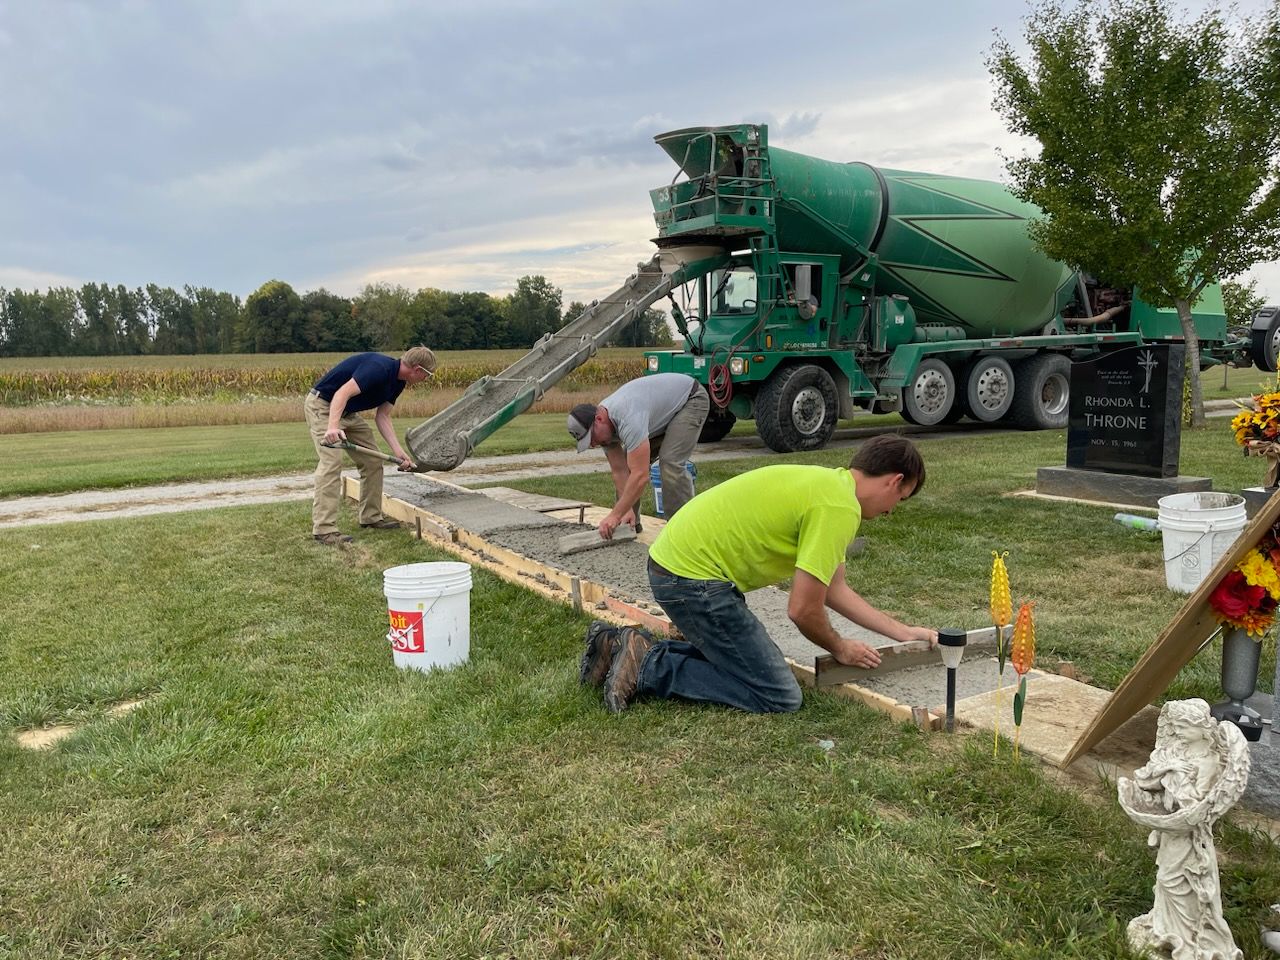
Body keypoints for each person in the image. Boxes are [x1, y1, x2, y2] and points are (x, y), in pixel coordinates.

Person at [579, 434, 937, 713]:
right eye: (900, 500)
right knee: (778, 693)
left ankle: (618, 646)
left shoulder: (831, 487)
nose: (892, 512)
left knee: (743, 663)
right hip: (691, 581)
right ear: (894, 480)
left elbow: (835, 589)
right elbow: (802, 610)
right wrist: (839, 648)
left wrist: (904, 632)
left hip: (676, 568)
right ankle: (648, 665)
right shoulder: (838, 507)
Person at [304, 346, 436, 545]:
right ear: (417, 370)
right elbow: (341, 394)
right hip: (323, 406)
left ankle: (371, 517)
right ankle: (324, 530)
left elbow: (382, 416)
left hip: (349, 414)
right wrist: (332, 427)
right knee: (331, 463)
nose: (426, 380)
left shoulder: (398, 382)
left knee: (373, 461)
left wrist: (399, 453)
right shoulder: (378, 368)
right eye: (427, 375)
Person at [565, 372, 710, 538]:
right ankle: (631, 525)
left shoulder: (627, 417)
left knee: (670, 462)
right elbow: (620, 471)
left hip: (690, 399)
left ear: (598, 419)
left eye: (592, 437)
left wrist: (614, 514)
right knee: (629, 464)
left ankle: (683, 530)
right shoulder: (604, 428)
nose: (592, 444)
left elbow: (640, 475)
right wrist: (625, 510)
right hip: (661, 413)